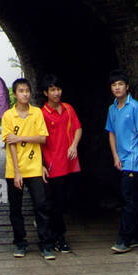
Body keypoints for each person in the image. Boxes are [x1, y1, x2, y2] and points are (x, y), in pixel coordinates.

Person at [0, 78, 56, 260]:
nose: (25, 94)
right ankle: (20, 242)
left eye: (27, 91)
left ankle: (46, 243)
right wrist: (16, 171)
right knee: (15, 208)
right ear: (15, 94)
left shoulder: (36, 113)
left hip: (34, 168)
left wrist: (20, 138)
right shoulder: (8, 116)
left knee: (41, 205)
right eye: (21, 91)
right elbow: (10, 145)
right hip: (14, 168)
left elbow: (43, 138)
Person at [105, 69, 138, 253]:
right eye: (114, 85)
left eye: (120, 84)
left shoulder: (135, 107)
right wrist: (115, 155)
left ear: (127, 87)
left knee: (128, 201)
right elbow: (111, 133)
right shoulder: (112, 108)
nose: (117, 88)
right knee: (131, 199)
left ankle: (125, 239)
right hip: (122, 160)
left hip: (133, 161)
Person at [40, 74, 82, 253]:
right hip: (53, 163)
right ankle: (57, 237)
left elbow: (78, 128)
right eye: (52, 90)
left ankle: (56, 234)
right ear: (45, 93)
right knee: (54, 202)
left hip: (69, 162)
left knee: (65, 200)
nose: (56, 93)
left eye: (58, 89)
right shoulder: (41, 114)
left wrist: (74, 145)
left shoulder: (68, 108)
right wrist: (41, 164)